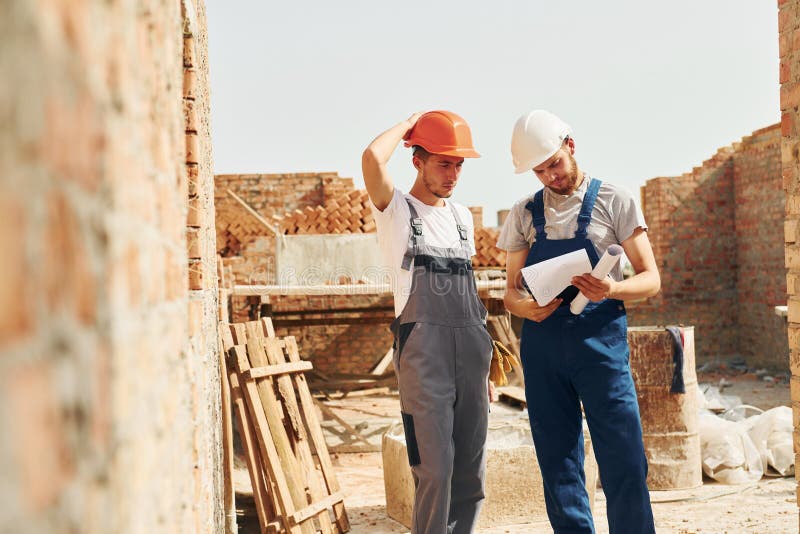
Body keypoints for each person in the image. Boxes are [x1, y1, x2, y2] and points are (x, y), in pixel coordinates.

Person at [497, 110, 660, 533]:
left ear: (571, 146)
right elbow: (509, 292)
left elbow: (651, 278)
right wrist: (523, 307)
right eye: (540, 171)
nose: (551, 176)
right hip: (544, 349)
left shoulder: (615, 200)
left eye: (555, 164)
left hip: (600, 349)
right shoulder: (524, 213)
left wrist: (612, 290)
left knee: (623, 458)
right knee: (558, 462)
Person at [362, 111, 494, 533]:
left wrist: (486, 364)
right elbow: (371, 158)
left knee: (470, 476)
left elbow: (471, 295)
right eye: (443, 162)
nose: (453, 174)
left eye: (458, 164)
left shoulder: (462, 220)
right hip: (425, 361)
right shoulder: (397, 211)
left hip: (471, 358)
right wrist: (409, 123)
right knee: (435, 471)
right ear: (417, 160)